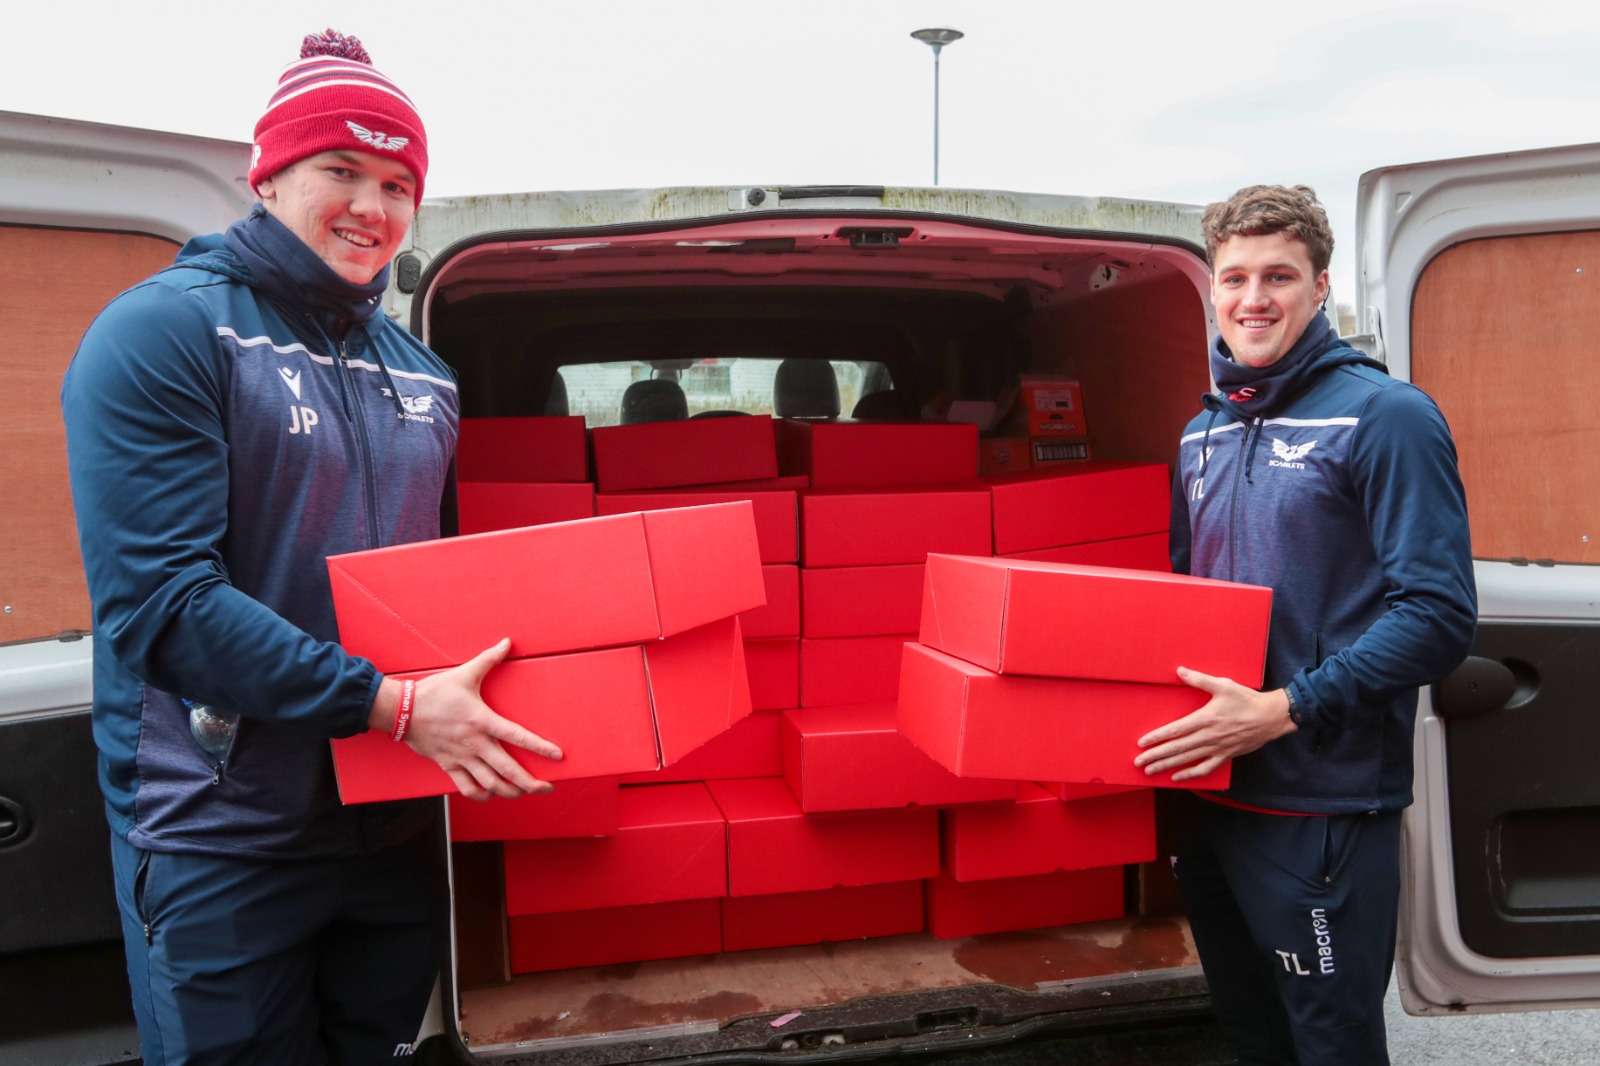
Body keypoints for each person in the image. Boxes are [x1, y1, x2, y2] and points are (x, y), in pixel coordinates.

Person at [61, 30, 560, 1065]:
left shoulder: (424, 374)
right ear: (270, 175)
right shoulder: (165, 333)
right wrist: (396, 705)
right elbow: (162, 606)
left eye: (395, 181)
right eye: (340, 170)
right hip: (222, 838)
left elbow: (449, 584)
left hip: (393, 830)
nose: (370, 208)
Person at [1133, 185, 1476, 1065]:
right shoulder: (1200, 435)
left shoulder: (1386, 417)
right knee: (1253, 1039)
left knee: (1331, 1048)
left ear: (1321, 287)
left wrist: (1281, 709)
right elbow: (1186, 602)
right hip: (1213, 801)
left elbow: (1438, 618)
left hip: (1321, 804)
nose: (1254, 298)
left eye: (1278, 276)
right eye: (1235, 276)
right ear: (1211, 289)